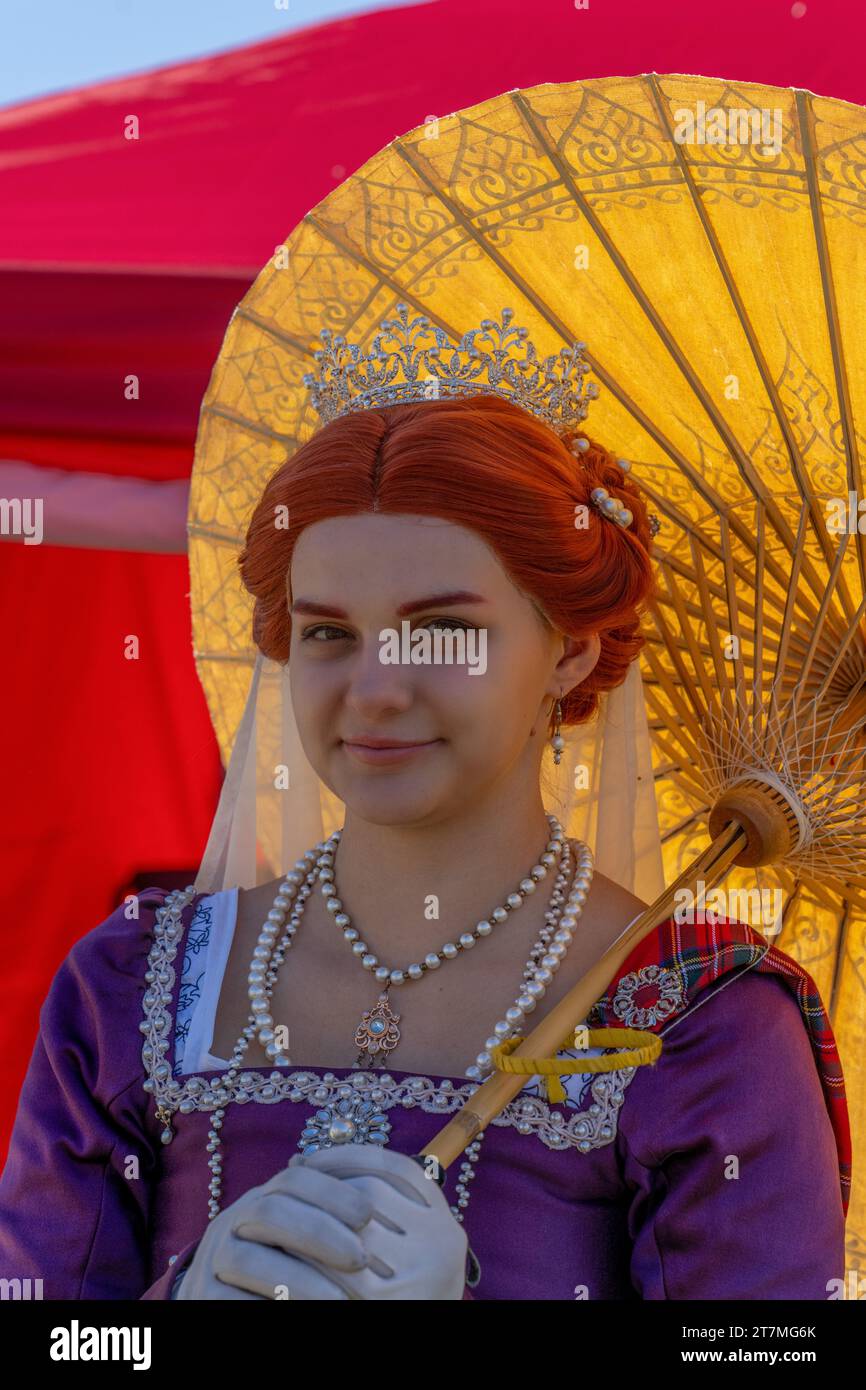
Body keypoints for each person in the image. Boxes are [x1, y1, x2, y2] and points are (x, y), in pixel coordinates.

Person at [0, 384, 850, 1300]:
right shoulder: (132, 989)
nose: (374, 689)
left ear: (566, 648)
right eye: (328, 631)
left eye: (442, 631)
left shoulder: (696, 1024)